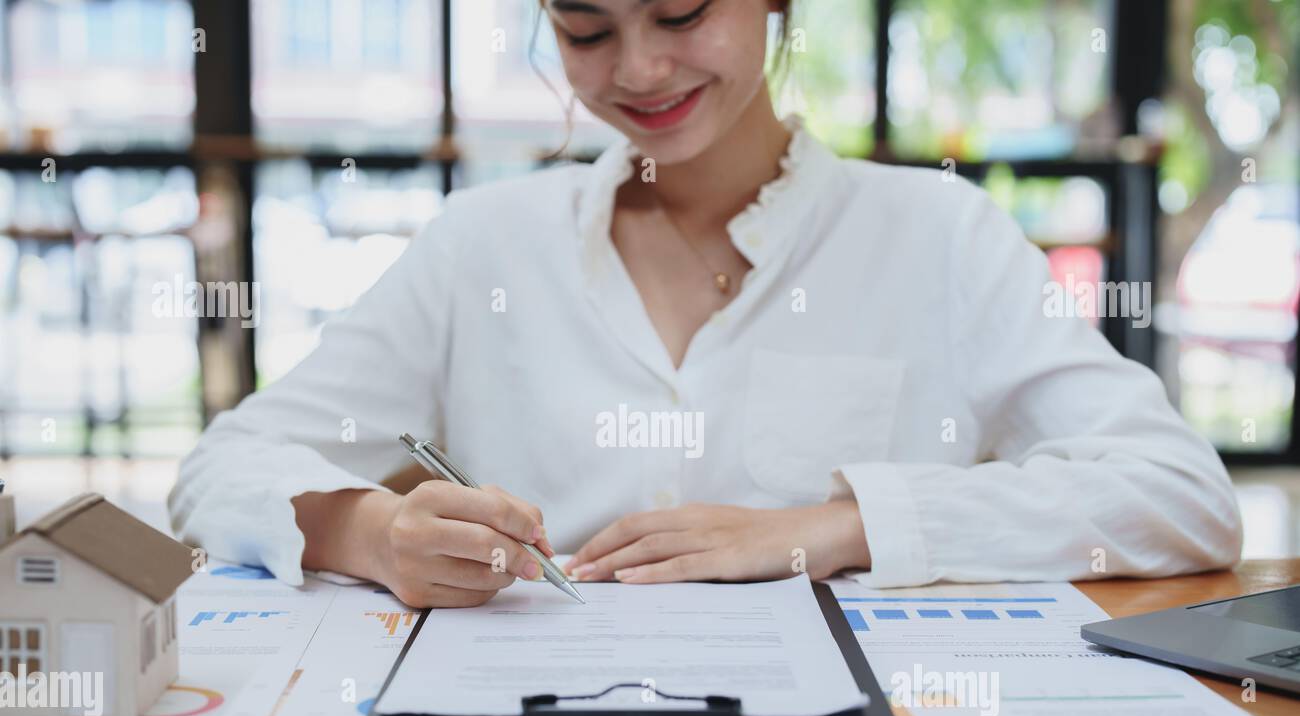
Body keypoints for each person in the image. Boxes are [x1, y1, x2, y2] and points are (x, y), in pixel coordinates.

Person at [169, 0, 1242, 609]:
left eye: (681, 11)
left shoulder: (938, 233)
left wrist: (837, 527)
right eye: (586, 31)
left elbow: (1180, 494)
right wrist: (369, 528)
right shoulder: (481, 246)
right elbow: (221, 466)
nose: (639, 69)